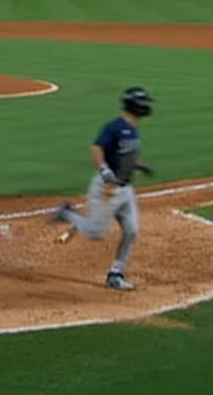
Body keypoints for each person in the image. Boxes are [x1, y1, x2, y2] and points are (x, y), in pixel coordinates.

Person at [50, 87, 154, 291]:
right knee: (95, 232)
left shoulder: (133, 129)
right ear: (136, 105)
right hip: (107, 188)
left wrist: (138, 165)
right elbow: (96, 148)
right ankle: (67, 214)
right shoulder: (115, 127)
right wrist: (106, 175)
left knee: (132, 231)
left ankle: (115, 273)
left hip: (125, 190)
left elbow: (123, 157)